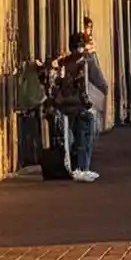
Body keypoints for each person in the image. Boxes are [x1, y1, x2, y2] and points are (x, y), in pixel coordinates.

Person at [55, 33, 100, 182]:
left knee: (71, 138)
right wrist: (88, 104)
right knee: (85, 137)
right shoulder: (81, 62)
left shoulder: (63, 62)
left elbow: (58, 82)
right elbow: (81, 85)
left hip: (65, 105)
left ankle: (74, 167)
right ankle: (83, 168)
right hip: (78, 104)